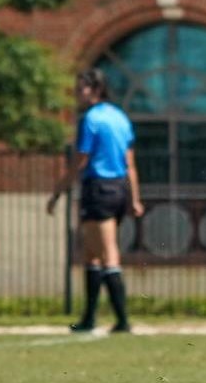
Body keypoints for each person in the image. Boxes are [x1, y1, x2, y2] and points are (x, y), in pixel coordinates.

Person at [46, 69, 144, 334]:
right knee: (90, 254)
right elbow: (130, 163)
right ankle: (89, 319)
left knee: (108, 253)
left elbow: (80, 160)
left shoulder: (90, 119)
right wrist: (134, 198)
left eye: (81, 89)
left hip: (98, 188)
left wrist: (57, 192)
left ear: (96, 90)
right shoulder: (120, 117)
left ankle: (123, 321)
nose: (77, 95)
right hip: (119, 189)